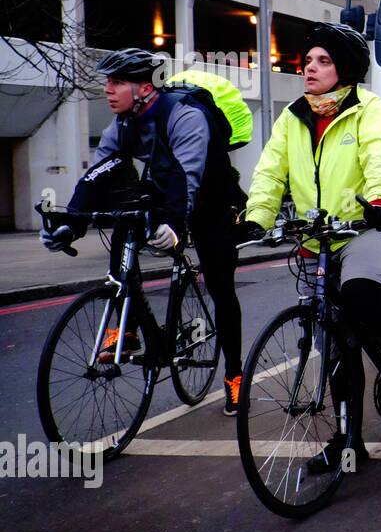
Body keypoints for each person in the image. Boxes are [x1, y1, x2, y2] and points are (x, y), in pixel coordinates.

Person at [237, 22, 381, 470]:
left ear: (346, 69)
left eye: (323, 61)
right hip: (319, 242)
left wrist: (378, 200)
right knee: (337, 345)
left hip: (371, 230)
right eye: (307, 61)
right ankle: (349, 443)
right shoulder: (292, 116)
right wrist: (256, 218)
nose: (310, 68)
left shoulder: (369, 110)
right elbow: (270, 171)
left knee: (359, 286)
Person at [42, 48, 246, 415]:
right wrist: (71, 224)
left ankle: (234, 375)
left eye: (117, 82)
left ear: (145, 87)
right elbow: (97, 176)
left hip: (210, 199)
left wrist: (174, 226)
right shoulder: (122, 124)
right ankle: (130, 325)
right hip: (164, 190)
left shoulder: (185, 116)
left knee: (220, 285)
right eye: (107, 82)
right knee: (125, 226)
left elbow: (189, 179)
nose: (108, 90)